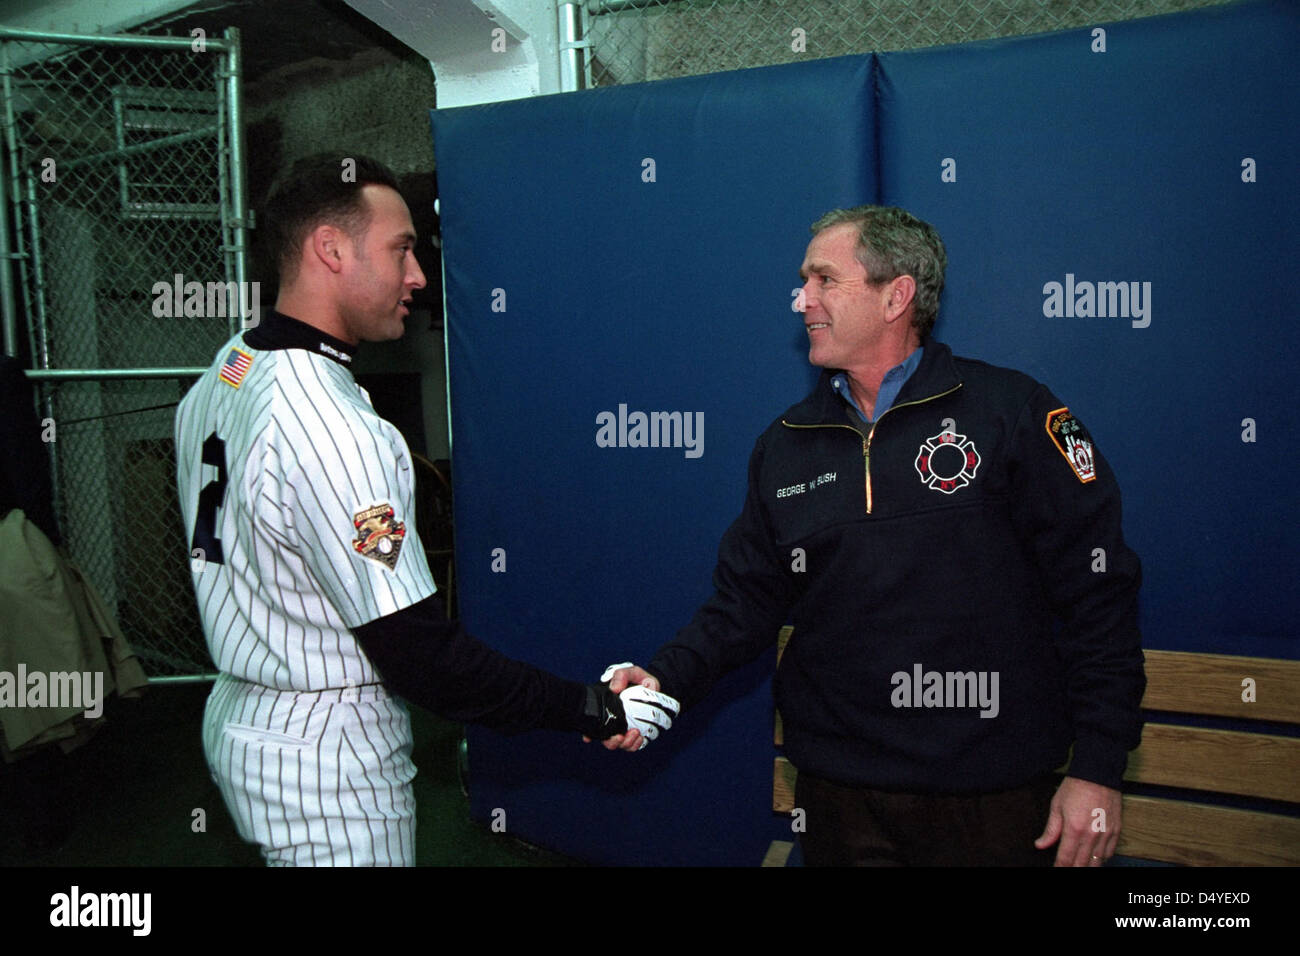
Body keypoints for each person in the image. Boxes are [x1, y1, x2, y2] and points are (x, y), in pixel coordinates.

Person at [601, 205, 1144, 867]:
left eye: (825, 280)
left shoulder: (1013, 414)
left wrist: (1097, 768)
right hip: (838, 793)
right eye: (805, 282)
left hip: (993, 793)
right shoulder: (787, 444)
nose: (802, 299)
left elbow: (1099, 595)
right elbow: (743, 603)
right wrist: (662, 680)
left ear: (897, 295)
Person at [175, 153, 677, 866]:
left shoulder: (228, 369)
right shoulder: (336, 430)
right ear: (331, 249)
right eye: (402, 249)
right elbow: (424, 657)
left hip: (243, 712)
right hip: (325, 750)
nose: (417, 275)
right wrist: (591, 709)